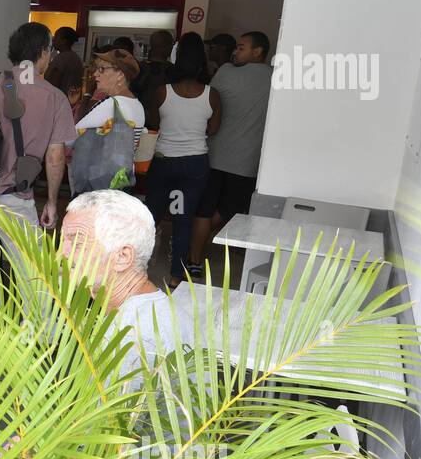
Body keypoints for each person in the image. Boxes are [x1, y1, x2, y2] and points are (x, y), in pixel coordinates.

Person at [0, 21, 78, 277]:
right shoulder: (54, 97)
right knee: (31, 274)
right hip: (16, 196)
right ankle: (32, 318)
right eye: (50, 51)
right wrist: (50, 202)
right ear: (43, 52)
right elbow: (55, 156)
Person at [59, 189, 180, 371]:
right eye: (62, 240)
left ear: (123, 257)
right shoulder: (148, 309)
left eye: (77, 243)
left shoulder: (130, 341)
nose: (62, 253)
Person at [188, 30, 273, 276]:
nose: (236, 51)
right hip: (247, 162)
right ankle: (196, 247)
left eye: (242, 47)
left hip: (213, 154)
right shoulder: (275, 78)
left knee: (204, 210)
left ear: (258, 51)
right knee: (229, 212)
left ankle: (193, 256)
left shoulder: (225, 72)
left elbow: (208, 105)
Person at [143, 31, 221, 287]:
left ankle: (137, 267)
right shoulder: (212, 94)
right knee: (183, 218)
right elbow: (213, 129)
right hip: (195, 166)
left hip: (165, 163)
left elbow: (153, 122)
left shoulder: (163, 92)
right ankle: (177, 275)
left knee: (151, 216)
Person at [71, 48, 145, 194]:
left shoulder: (111, 105)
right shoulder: (137, 105)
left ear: (120, 75)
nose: (95, 74)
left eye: (102, 69)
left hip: (99, 184)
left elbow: (70, 137)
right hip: (122, 182)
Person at [44, 25, 85, 100]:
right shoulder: (75, 57)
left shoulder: (62, 58)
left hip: (58, 101)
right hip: (70, 101)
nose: (53, 40)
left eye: (56, 37)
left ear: (64, 41)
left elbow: (54, 85)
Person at [133, 29, 174, 103]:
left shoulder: (137, 68)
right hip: (163, 112)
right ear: (166, 46)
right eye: (171, 44)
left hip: (139, 110)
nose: (172, 47)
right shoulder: (172, 70)